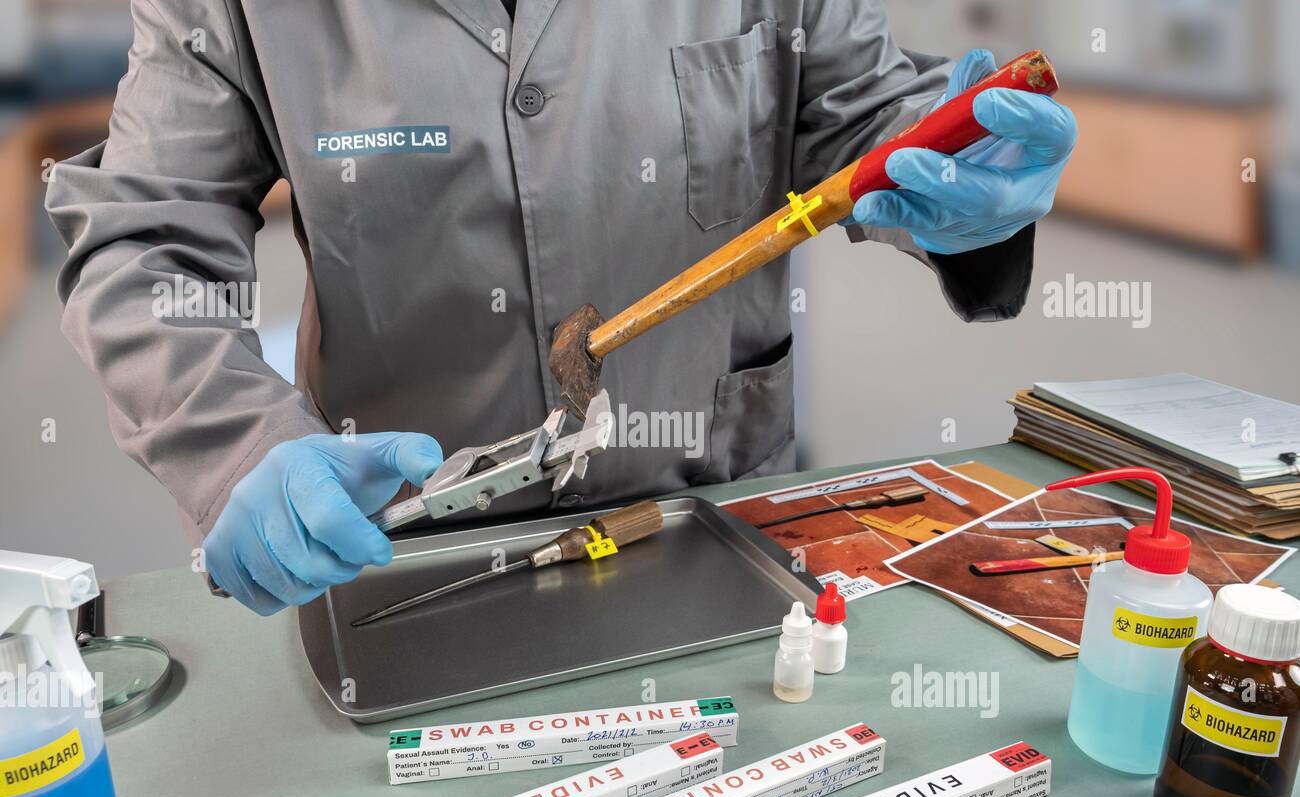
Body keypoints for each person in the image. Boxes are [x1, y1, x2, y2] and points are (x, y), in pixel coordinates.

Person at [47, 1, 1075, 615]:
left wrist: (965, 174)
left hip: (711, 519)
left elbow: (861, 117)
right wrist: (235, 445)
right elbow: (149, 231)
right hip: (408, 549)